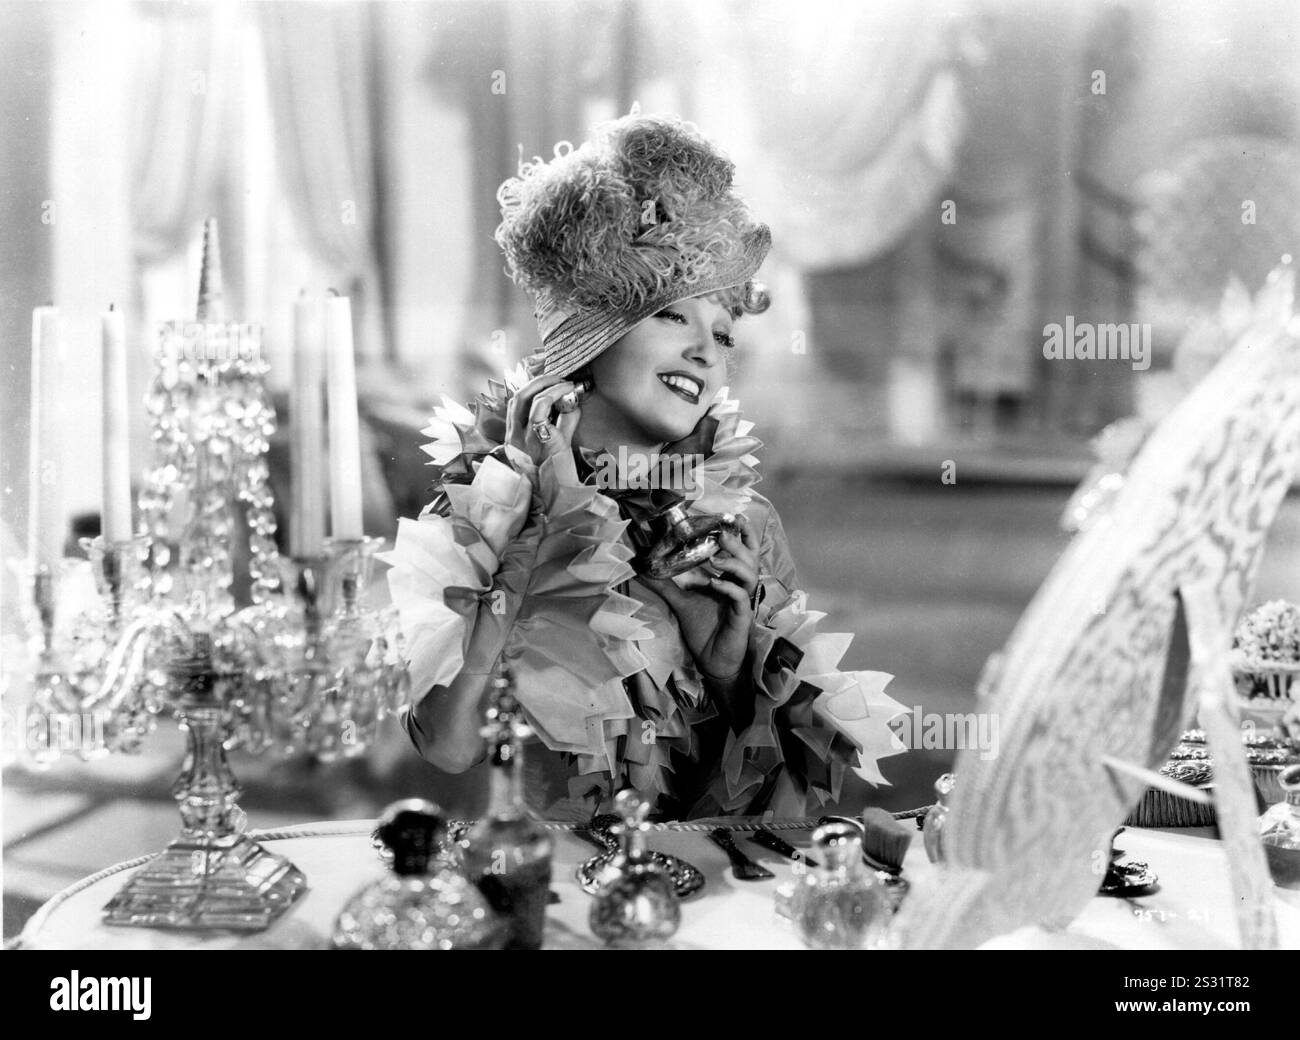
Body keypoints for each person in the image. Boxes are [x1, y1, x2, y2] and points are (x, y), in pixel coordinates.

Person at [385, 112, 905, 819]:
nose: (705, 350)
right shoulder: (488, 505)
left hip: (701, 900)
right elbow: (446, 748)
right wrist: (515, 574)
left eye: (722, 331)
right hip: (555, 899)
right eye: (672, 315)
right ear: (590, 334)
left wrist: (725, 670)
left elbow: (789, 803)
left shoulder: (741, 527)